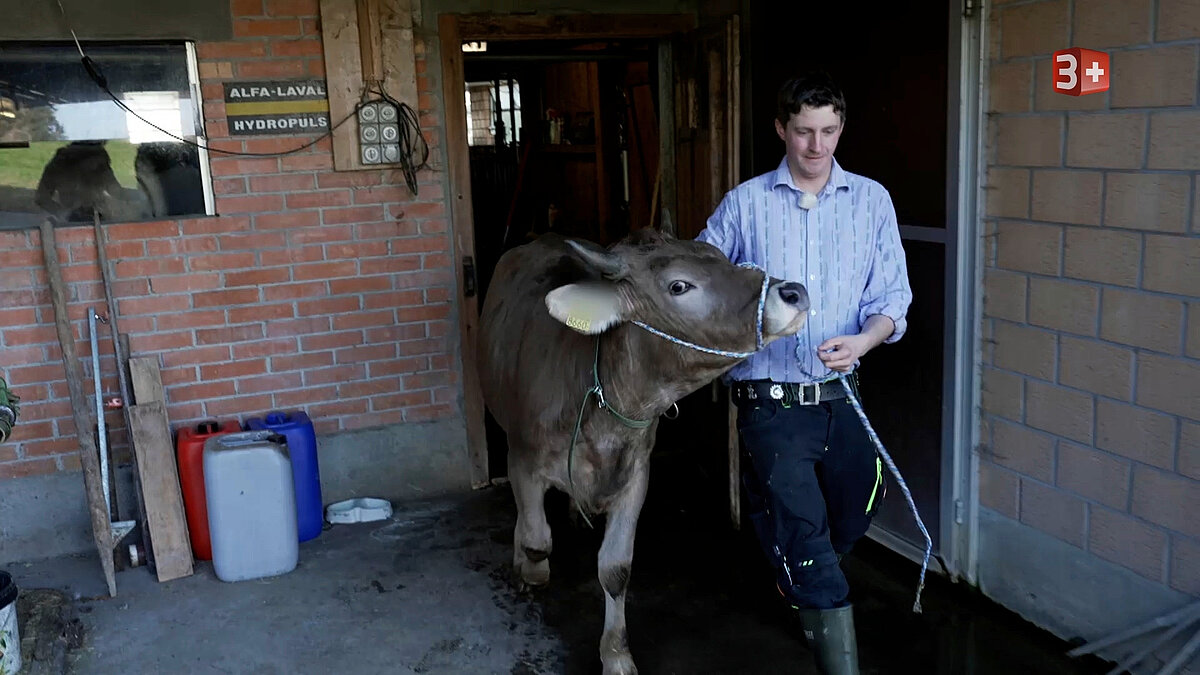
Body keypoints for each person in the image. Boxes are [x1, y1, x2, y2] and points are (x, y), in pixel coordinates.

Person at [695, 72, 912, 675]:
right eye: (803, 132)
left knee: (855, 506)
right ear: (781, 130)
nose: (817, 146)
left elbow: (893, 297)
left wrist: (866, 340)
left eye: (829, 131)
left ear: (841, 128)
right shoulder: (745, 203)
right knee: (810, 536)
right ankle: (831, 636)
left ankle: (791, 561)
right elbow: (702, 282)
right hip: (768, 396)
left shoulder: (872, 200)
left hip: (843, 393)